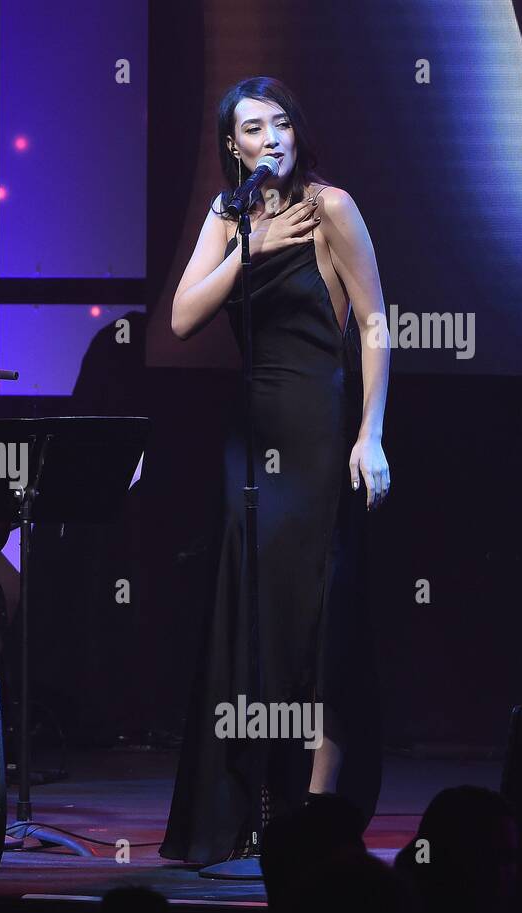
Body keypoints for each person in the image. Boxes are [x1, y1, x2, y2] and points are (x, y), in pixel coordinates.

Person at [161, 77, 391, 864]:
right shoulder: (230, 216)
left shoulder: (331, 207)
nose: (273, 138)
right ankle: (245, 804)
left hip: (322, 427)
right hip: (249, 437)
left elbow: (374, 324)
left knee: (316, 615)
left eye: (283, 122)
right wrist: (250, 248)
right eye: (254, 128)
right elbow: (186, 319)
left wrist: (373, 434)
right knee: (250, 615)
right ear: (234, 145)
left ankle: (320, 814)